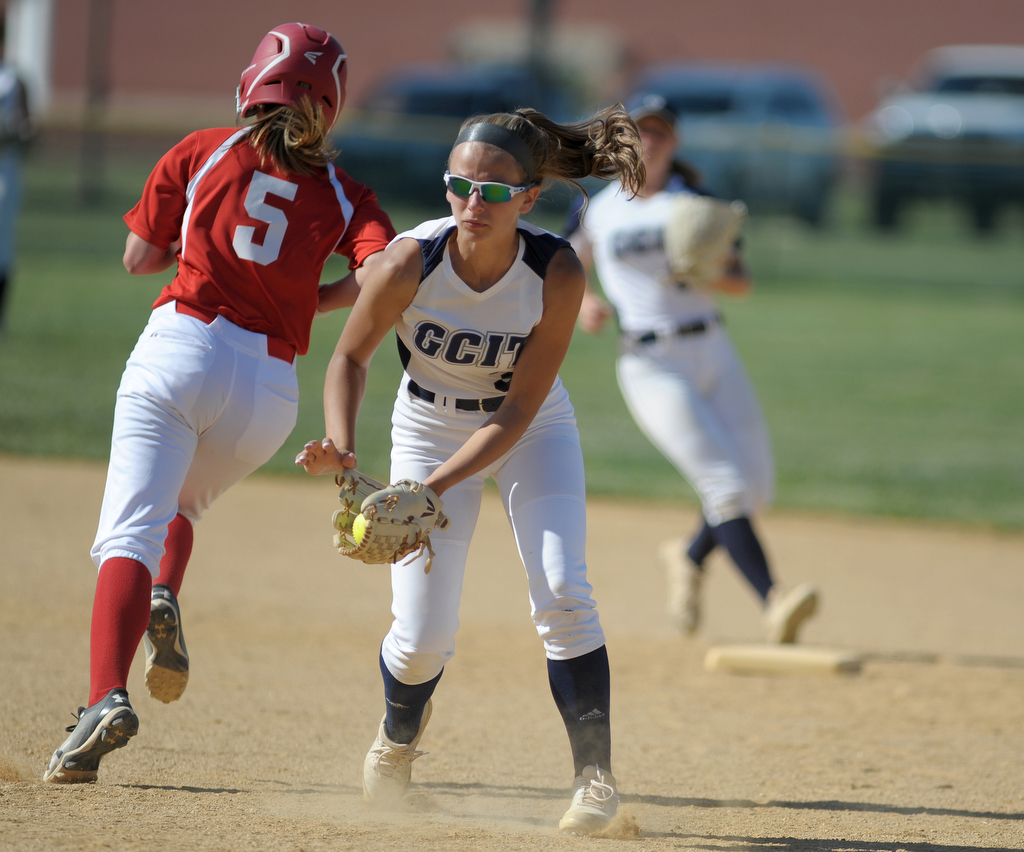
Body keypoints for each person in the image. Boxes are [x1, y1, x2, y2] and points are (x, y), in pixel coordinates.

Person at [43, 22, 396, 784]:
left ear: (253, 81)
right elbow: (383, 275)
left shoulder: (205, 149)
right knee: (180, 510)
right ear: (328, 105)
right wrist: (307, 295)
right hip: (269, 392)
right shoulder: (345, 192)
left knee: (126, 534)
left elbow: (140, 256)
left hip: (183, 348)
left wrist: (210, 248)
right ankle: (166, 591)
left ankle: (104, 696)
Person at [295, 105, 645, 834]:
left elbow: (516, 414)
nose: (471, 203)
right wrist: (340, 445)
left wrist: (432, 489)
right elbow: (348, 358)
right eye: (460, 187)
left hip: (529, 428)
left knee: (562, 591)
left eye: (492, 192)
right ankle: (394, 748)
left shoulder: (554, 270)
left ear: (527, 197)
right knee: (422, 637)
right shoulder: (407, 262)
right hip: (425, 424)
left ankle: (595, 779)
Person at [564, 94, 818, 644]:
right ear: (620, 141)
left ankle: (688, 554)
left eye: (659, 132)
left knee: (757, 490)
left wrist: (701, 271)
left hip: (713, 351)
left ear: (673, 142)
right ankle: (773, 601)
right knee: (725, 487)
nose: (648, 140)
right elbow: (565, 270)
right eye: (639, 131)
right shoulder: (597, 208)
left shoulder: (695, 202)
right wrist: (585, 305)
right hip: (651, 362)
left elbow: (740, 281)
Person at [0, 58, 31, 336]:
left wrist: (16, 132)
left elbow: (27, 130)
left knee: (2, 246)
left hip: (4, 169)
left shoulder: (11, 80)